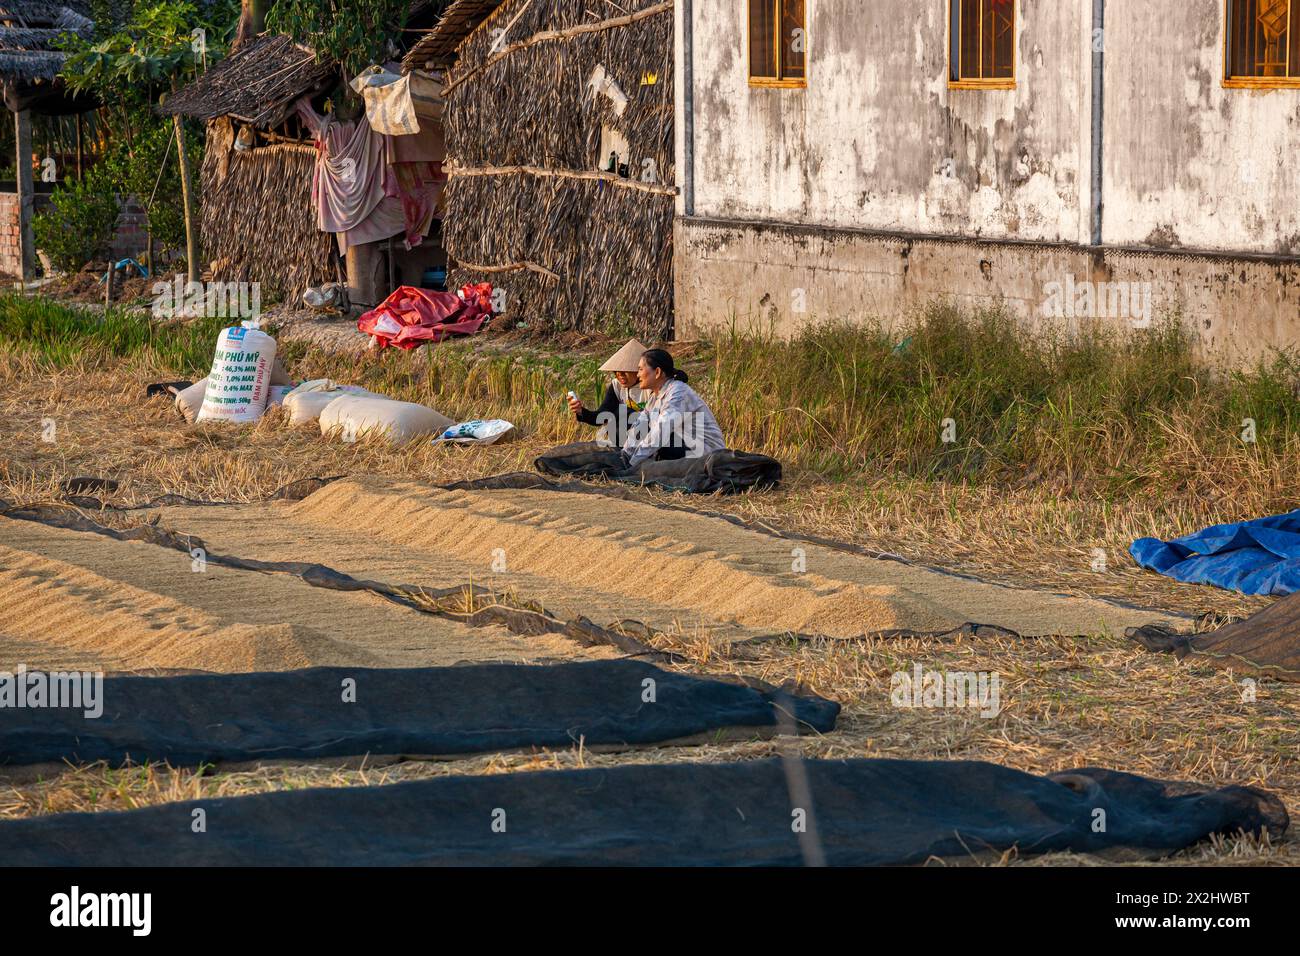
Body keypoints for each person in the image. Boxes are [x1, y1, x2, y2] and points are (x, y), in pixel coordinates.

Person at [621, 348, 725, 469]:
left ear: (658, 372)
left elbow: (661, 431)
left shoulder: (678, 392)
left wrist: (632, 463)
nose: (637, 374)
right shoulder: (654, 397)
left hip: (708, 454)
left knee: (661, 446)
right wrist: (626, 453)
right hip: (685, 445)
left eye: (640, 369)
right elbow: (640, 425)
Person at [567, 338, 650, 447]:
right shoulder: (617, 386)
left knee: (624, 413)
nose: (620, 375)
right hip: (627, 439)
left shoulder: (652, 386)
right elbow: (603, 415)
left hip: (651, 437)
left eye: (625, 370)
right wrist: (581, 411)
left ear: (639, 370)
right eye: (616, 371)